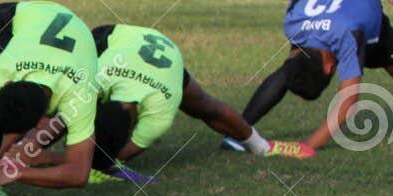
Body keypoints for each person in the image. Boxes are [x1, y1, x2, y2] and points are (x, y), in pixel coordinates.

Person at [235, 0, 393, 155]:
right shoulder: (294, 23)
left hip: (363, 8)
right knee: (296, 65)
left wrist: (306, 147)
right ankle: (239, 130)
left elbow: (347, 105)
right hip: (340, 16)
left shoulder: (348, 35)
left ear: (330, 68)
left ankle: (239, 129)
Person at [0, 1, 104, 196]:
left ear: (40, 123)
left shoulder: (80, 93)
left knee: (67, 118)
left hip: (66, 37)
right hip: (5, 22)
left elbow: (79, 173)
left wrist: (16, 172)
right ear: (6, 85)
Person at [91, 24, 304, 174]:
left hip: (146, 54)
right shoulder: (91, 82)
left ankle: (261, 146)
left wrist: (84, 161)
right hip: (128, 47)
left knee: (203, 106)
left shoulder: (159, 117)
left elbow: (110, 160)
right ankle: (261, 146)